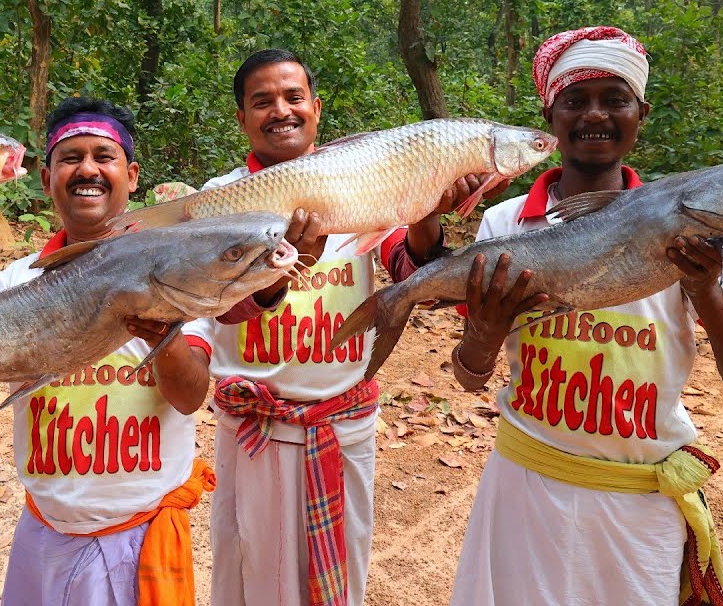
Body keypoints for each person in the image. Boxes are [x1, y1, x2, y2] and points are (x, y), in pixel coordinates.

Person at [448, 26, 723, 605]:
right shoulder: (505, 224)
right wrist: (487, 333)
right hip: (525, 488)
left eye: (615, 99)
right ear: (550, 117)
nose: (594, 114)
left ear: (640, 114)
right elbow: (470, 376)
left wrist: (704, 289)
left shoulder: (697, 226)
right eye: (575, 100)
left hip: (638, 504)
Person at [0, 96, 216, 606]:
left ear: (132, 175)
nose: (87, 169)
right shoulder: (17, 281)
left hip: (139, 536)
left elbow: (189, 396)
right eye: (71, 158)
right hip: (44, 532)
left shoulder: (176, 273)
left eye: (104, 156)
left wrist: (163, 334)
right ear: (48, 178)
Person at [205, 48, 502, 606]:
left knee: (342, 571)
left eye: (294, 97)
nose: (281, 111)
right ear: (242, 118)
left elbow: (410, 273)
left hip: (343, 426)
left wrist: (426, 208)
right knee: (249, 573)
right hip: (254, 429)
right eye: (262, 101)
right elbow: (214, 303)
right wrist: (278, 274)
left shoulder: (368, 177)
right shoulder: (221, 199)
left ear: (316, 109)